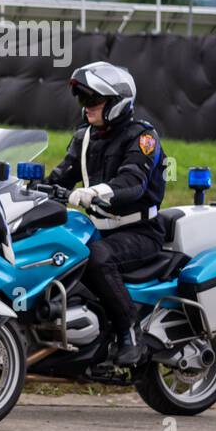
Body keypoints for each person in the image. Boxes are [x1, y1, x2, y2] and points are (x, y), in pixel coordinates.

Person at [46, 61, 165, 366]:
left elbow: (132, 183)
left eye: (92, 100)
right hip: (97, 227)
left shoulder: (143, 138)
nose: (85, 107)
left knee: (97, 257)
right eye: (82, 100)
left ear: (116, 103)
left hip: (139, 232)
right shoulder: (84, 137)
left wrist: (95, 192)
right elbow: (60, 177)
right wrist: (23, 188)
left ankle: (130, 332)